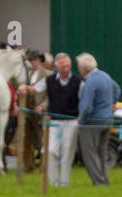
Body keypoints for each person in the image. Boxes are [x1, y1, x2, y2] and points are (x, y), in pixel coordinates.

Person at [32, 52, 81, 186]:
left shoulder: (78, 82)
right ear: (57, 67)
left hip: (71, 122)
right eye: (63, 66)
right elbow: (35, 89)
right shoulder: (49, 80)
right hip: (53, 121)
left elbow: (84, 100)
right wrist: (25, 89)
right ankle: (54, 182)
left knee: (67, 152)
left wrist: (81, 116)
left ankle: (64, 182)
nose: (67, 68)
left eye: (68, 66)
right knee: (50, 150)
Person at [76, 52, 119, 186]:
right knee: (102, 151)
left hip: (93, 121)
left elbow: (87, 105)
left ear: (84, 69)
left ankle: (99, 182)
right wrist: (112, 103)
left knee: (90, 153)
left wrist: (82, 119)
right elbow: (117, 89)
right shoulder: (105, 75)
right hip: (108, 119)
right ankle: (104, 179)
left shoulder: (91, 80)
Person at [19, 49, 50, 171]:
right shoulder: (26, 74)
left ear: (40, 60)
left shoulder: (48, 74)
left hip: (41, 111)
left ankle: (44, 166)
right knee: (26, 139)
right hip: (27, 110)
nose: (33, 62)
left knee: (43, 140)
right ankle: (29, 166)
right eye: (31, 60)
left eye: (35, 60)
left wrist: (43, 106)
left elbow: (50, 96)